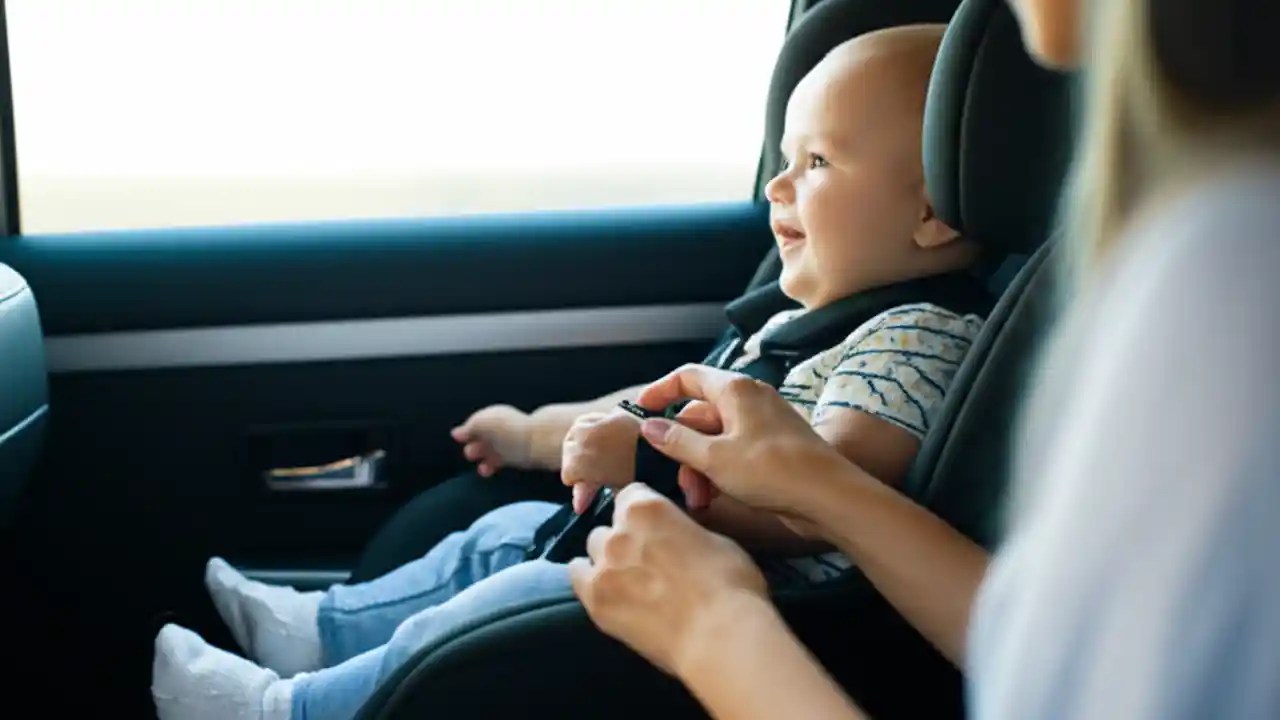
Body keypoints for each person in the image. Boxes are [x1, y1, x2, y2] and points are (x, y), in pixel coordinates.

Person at [150, 24, 992, 720]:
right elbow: (639, 407)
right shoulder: (794, 324)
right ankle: (320, 628)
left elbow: (827, 500)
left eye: (816, 164)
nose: (776, 184)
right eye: (784, 154)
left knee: (500, 598)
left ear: (929, 211)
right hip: (668, 537)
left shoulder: (919, 337)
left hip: (777, 599)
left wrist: (649, 461)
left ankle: (285, 708)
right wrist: (530, 431)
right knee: (494, 539)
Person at [569, 0, 1280, 718]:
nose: (778, 189)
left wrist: (714, 630)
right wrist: (812, 485)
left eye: (816, 162)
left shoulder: (1229, 273)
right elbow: (1035, 651)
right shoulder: (1204, 247)